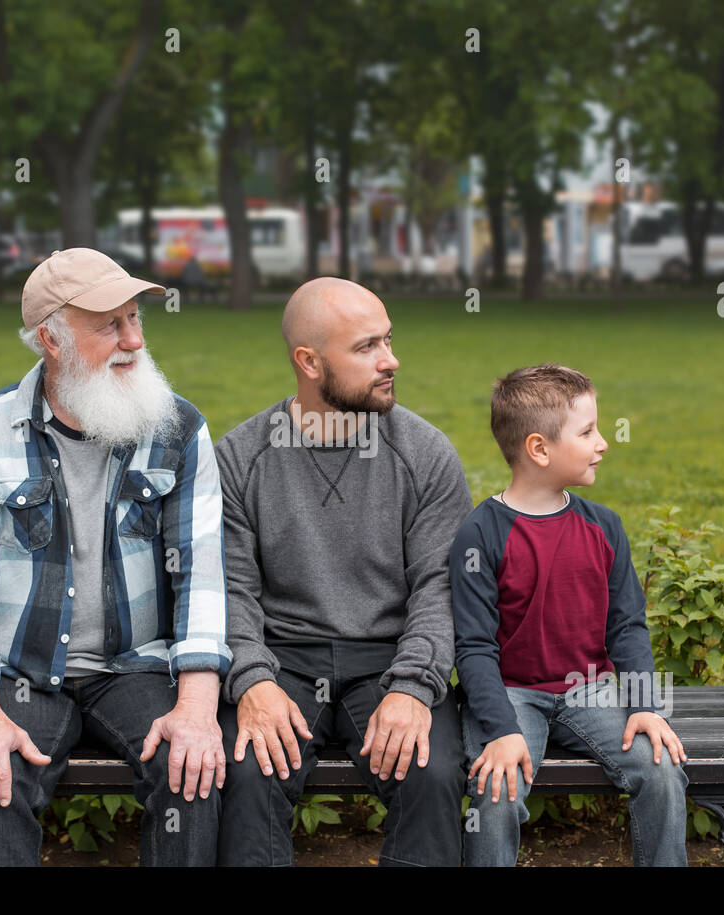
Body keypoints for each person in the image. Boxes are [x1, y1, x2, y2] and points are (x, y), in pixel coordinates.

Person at [0, 248, 229, 866]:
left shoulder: (178, 429)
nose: (133, 341)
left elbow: (202, 575)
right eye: (109, 325)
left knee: (191, 768)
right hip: (22, 672)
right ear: (51, 340)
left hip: (139, 669)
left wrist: (197, 710)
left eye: (136, 320)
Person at [215, 276, 471, 866]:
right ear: (308, 361)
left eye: (388, 340)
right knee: (248, 774)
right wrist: (252, 681)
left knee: (430, 774)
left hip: (388, 657)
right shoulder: (241, 458)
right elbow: (229, 589)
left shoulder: (425, 453)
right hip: (284, 659)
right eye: (367, 348)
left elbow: (440, 584)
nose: (391, 360)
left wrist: (413, 688)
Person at [450, 364, 689, 867]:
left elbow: (627, 625)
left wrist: (644, 705)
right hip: (511, 695)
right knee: (498, 789)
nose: (603, 442)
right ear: (539, 449)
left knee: (661, 766)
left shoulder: (603, 526)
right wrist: (500, 730)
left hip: (590, 688)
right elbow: (473, 648)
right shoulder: (481, 534)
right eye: (587, 432)